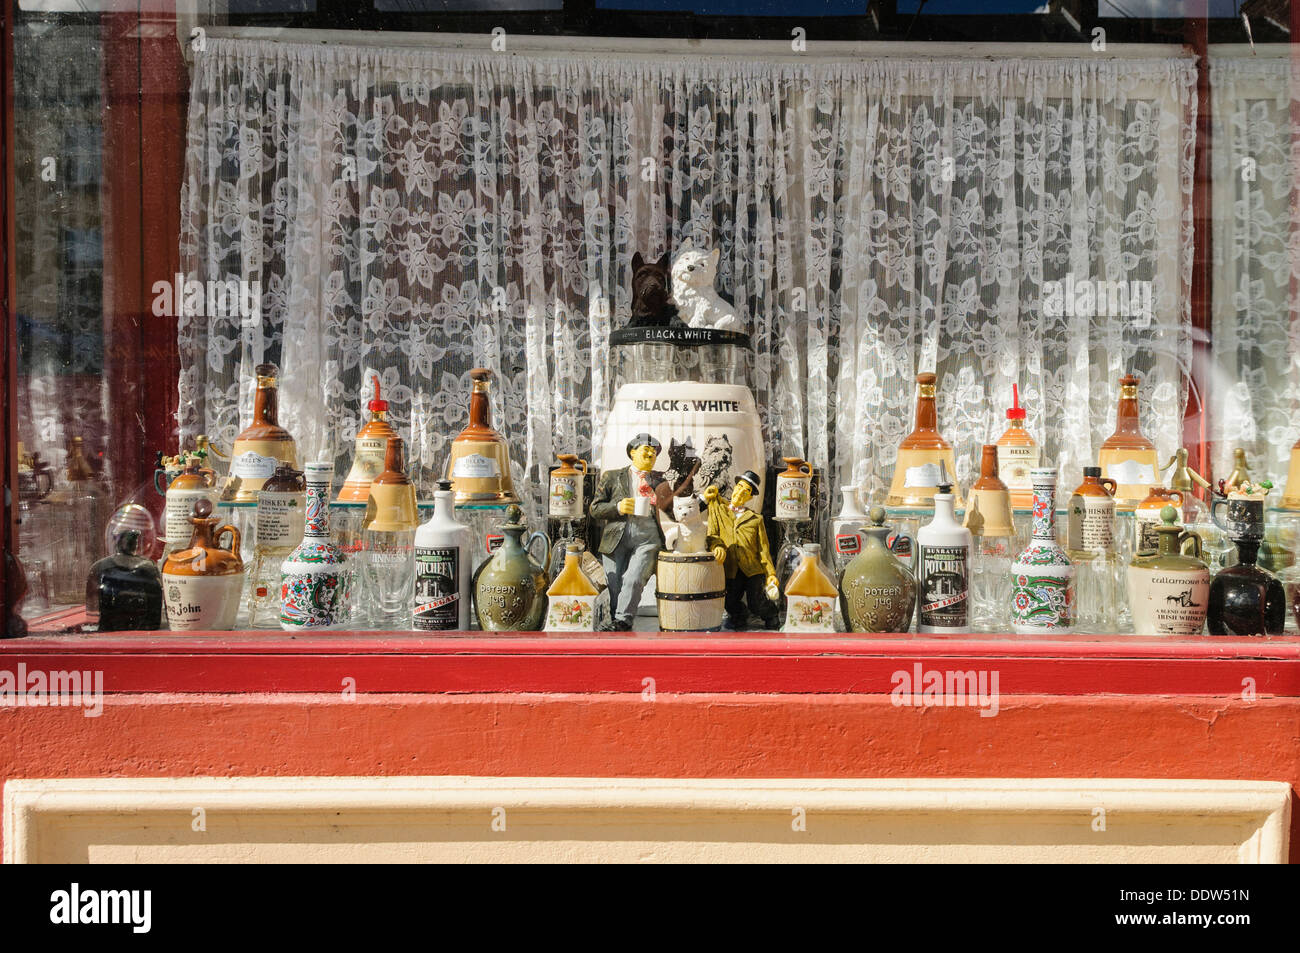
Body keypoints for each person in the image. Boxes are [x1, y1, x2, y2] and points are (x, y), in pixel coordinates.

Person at [591, 433, 668, 631]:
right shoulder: (612, 476)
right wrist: (617, 507)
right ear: (633, 453)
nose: (651, 455)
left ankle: (623, 620)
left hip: (647, 536)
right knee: (614, 582)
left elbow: (673, 505)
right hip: (617, 534)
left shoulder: (660, 480)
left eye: (654, 453)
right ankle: (616, 621)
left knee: (634, 578)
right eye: (646, 451)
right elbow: (595, 509)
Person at [703, 470, 780, 629]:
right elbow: (712, 534)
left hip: (752, 569)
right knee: (728, 600)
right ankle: (739, 615)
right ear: (734, 487)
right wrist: (717, 546)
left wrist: (771, 574)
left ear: (749, 497)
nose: (740, 492)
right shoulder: (719, 510)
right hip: (731, 568)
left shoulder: (756, 519)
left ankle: (771, 614)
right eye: (739, 487)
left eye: (746, 491)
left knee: (756, 602)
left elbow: (763, 549)